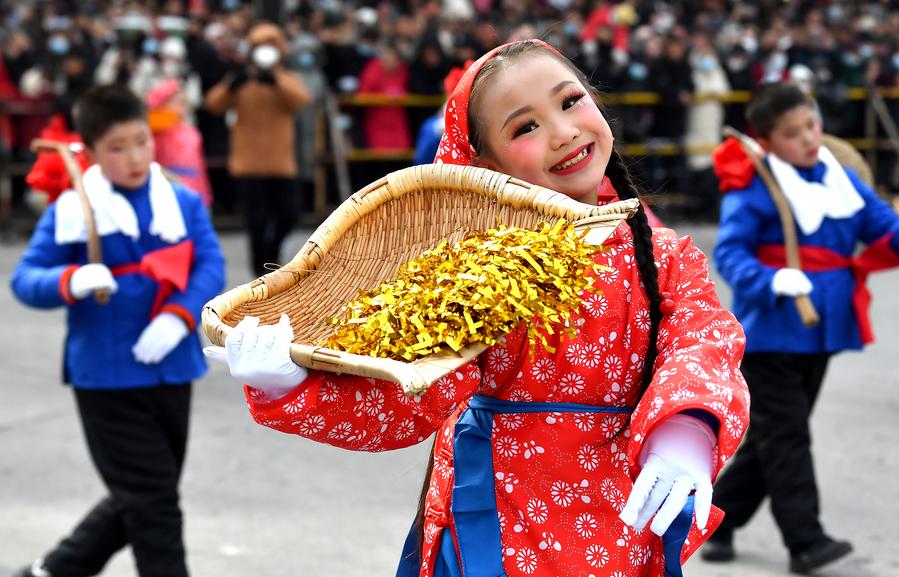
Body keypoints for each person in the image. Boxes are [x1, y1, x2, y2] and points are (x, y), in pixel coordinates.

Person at [210, 39, 749, 577]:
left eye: (570, 101)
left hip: (621, 519)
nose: (563, 132)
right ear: (485, 165)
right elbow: (410, 397)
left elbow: (704, 341)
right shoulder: (479, 271)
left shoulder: (666, 254)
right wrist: (291, 383)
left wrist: (685, 433)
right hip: (498, 519)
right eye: (525, 128)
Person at [11, 84, 226, 577]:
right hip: (105, 374)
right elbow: (24, 280)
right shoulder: (73, 208)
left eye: (141, 141)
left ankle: (55, 570)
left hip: (172, 366)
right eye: (117, 146)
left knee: (147, 491)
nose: (134, 157)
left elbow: (209, 263)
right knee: (153, 502)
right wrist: (70, 279)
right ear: (89, 151)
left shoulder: (181, 199)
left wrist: (180, 315)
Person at [707, 81, 899, 573]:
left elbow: (884, 228)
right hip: (773, 333)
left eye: (811, 124)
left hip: (824, 328)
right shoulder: (754, 185)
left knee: (776, 436)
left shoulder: (841, 178)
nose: (810, 138)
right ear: (767, 141)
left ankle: (717, 522)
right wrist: (772, 279)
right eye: (793, 134)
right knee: (788, 436)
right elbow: (728, 253)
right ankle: (805, 541)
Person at [204, 22, 311, 277]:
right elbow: (213, 105)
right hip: (247, 163)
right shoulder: (241, 79)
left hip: (281, 162)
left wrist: (275, 82)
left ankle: (272, 254)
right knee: (256, 222)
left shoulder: (286, 78)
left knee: (289, 215)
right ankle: (259, 273)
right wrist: (232, 85)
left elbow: (301, 100)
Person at [147, 79, 213, 208]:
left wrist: (206, 196)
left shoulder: (192, 132)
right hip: (165, 192)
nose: (183, 105)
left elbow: (200, 168)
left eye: (184, 101)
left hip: (195, 191)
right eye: (177, 101)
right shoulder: (155, 129)